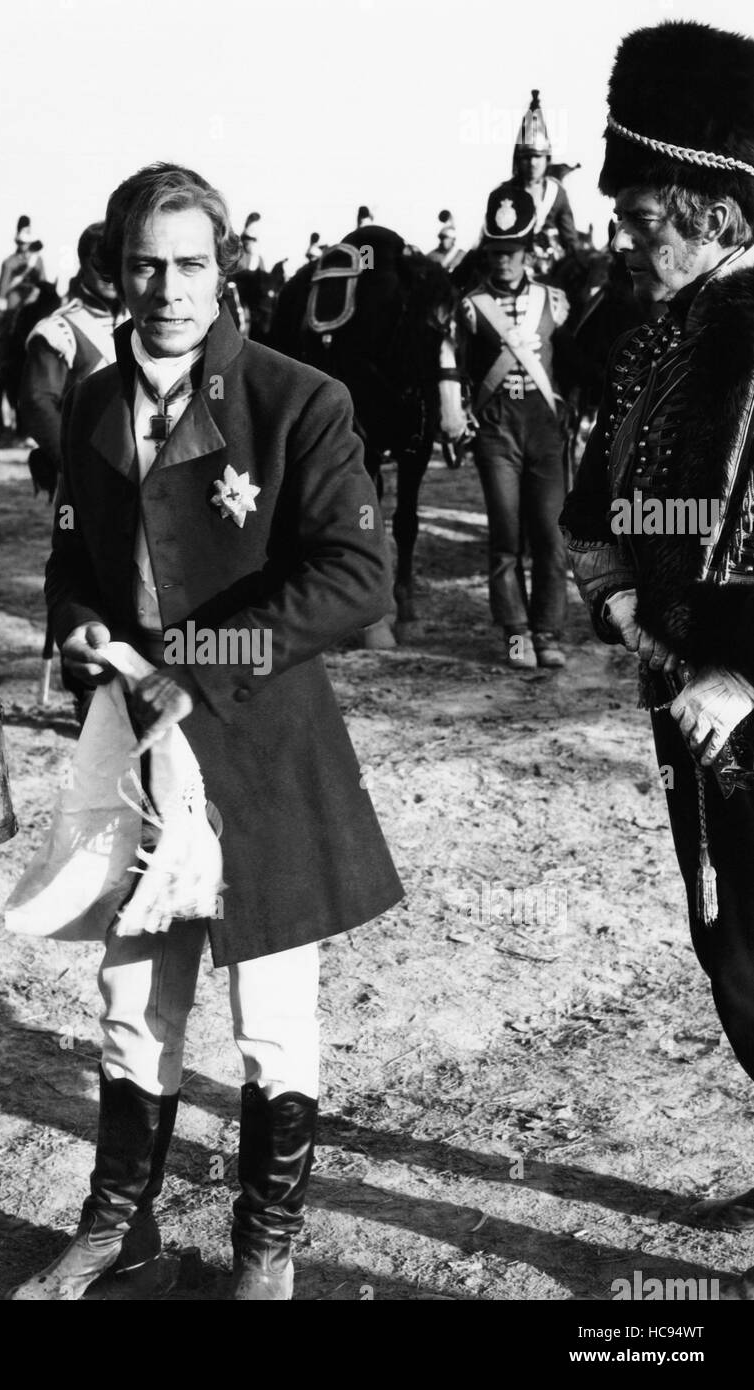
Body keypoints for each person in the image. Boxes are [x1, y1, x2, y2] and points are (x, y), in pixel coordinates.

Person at [12, 162, 403, 1301]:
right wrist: (82, 630)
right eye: (146, 265)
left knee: (272, 1016)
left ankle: (262, 1254)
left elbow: (355, 574)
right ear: (115, 269)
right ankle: (117, 1232)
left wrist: (193, 663)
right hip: (131, 739)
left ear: (223, 265)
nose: (169, 289)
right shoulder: (90, 400)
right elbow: (71, 560)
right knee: (133, 995)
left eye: (191, 263)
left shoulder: (298, 399)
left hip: (260, 744)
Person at [558, 20, 754, 1294]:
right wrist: (611, 576)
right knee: (727, 937)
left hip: (740, 700)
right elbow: (599, 501)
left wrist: (744, 677)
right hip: (679, 697)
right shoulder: (656, 329)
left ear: (707, 206)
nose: (625, 240)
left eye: (641, 219)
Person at [452, 184, 571, 669]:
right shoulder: (470, 306)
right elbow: (456, 369)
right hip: (496, 429)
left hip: (544, 429)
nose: (504, 260)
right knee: (505, 537)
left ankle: (547, 630)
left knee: (550, 534)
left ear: (527, 251)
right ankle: (515, 632)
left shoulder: (555, 302)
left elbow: (572, 366)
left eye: (512, 251)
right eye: (496, 251)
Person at [18, 220, 123, 498]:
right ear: (82, 263)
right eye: (97, 261)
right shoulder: (59, 330)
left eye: (115, 260)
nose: (108, 272)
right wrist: (77, 468)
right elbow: (37, 403)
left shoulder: (141, 321)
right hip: (88, 480)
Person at [493, 90, 579, 273]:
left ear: (546, 159)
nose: (532, 163)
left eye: (537, 156)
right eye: (527, 157)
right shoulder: (504, 192)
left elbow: (570, 241)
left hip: (552, 268)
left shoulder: (557, 192)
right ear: (519, 160)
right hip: (512, 266)